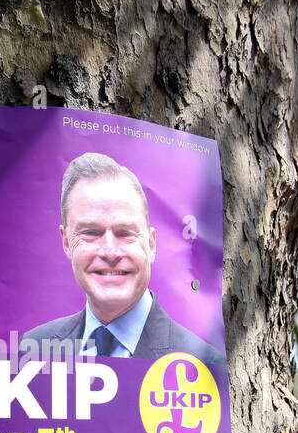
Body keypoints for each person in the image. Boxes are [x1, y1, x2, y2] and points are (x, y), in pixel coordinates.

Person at [21, 152, 225, 375]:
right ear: (67, 242)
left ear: (151, 244)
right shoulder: (34, 349)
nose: (110, 251)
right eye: (90, 232)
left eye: (125, 233)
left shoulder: (204, 366)